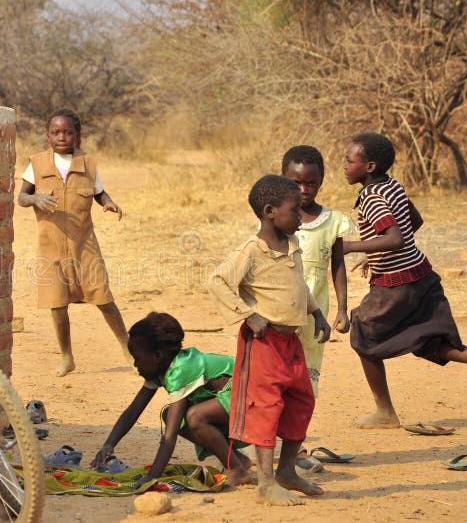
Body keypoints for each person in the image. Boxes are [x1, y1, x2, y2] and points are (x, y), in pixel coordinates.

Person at [342, 132, 467, 429]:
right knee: (430, 342)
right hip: (421, 277)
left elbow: (395, 237)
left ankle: (385, 413)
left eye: (350, 160)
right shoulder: (393, 185)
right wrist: (372, 250)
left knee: (362, 335)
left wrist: (350, 246)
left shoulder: (371, 198)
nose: (344, 165)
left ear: (369, 166)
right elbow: (414, 223)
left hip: (395, 286)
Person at [208, 175, 331, 506]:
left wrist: (317, 312)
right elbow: (218, 281)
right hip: (262, 344)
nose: (301, 217)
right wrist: (248, 315)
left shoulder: (292, 245)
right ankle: (265, 483)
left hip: (292, 344)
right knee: (266, 409)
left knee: (301, 401)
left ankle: (287, 472)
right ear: (270, 211)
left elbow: (298, 286)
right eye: (295, 210)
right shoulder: (251, 251)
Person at [17, 108, 129, 376]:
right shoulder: (37, 164)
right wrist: (35, 199)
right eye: (55, 132)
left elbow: (100, 193)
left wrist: (109, 203)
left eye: (68, 132)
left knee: (104, 299)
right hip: (51, 247)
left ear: (77, 135)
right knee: (57, 305)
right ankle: (67, 357)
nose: (62, 137)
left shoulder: (88, 164)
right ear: (48, 135)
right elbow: (22, 197)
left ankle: (128, 350)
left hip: (84, 246)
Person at [90, 312, 253, 487]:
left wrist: (152, 476)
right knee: (170, 414)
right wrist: (109, 444)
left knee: (195, 417)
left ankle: (236, 469)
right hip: (229, 400)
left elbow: (170, 436)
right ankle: (235, 458)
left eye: (137, 359)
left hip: (249, 392)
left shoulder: (182, 369)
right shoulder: (159, 369)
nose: (135, 365)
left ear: (158, 356)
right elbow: (133, 411)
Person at [281, 145, 353, 395]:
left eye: (311, 183)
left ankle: (296, 425)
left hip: (316, 306)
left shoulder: (332, 220)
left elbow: (338, 265)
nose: (304, 189)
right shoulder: (276, 217)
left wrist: (343, 308)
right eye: (296, 182)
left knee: (308, 360)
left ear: (321, 181)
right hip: (281, 303)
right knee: (277, 361)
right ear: (284, 180)